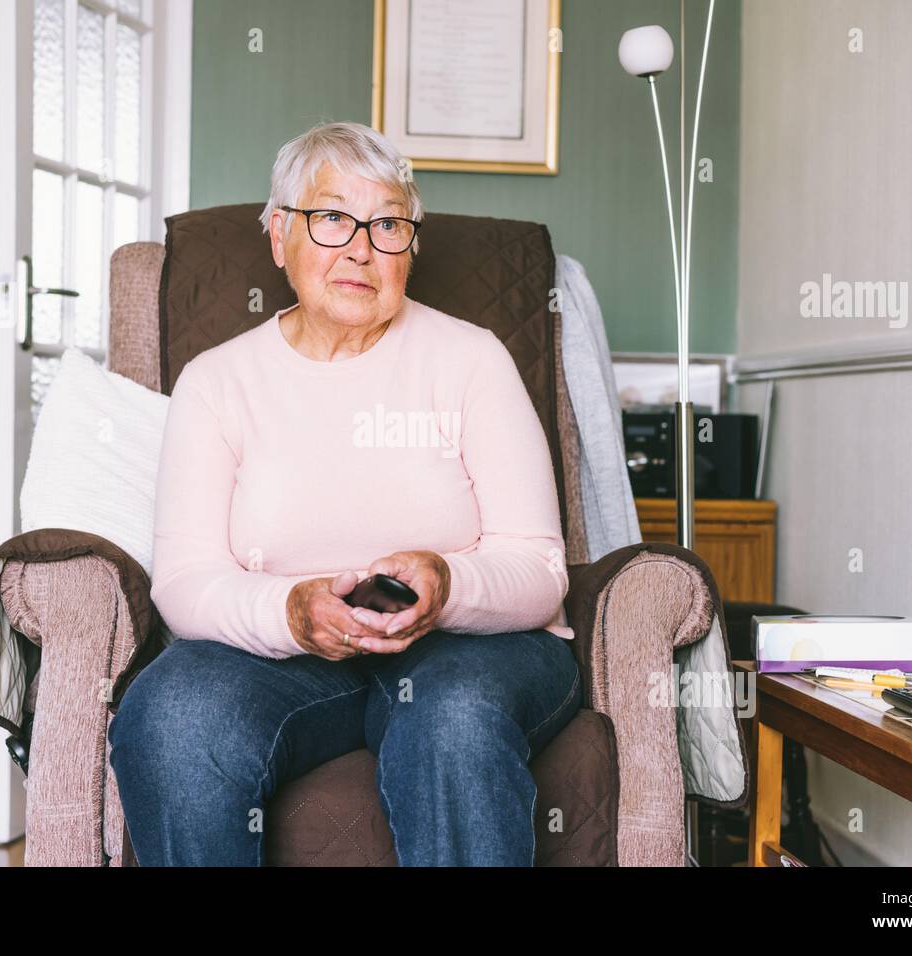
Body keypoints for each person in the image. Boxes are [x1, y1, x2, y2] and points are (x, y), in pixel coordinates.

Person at [107, 121, 581, 866]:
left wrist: (446, 582)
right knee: (171, 716)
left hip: (468, 649)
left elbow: (540, 569)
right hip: (279, 656)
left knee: (450, 721)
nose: (361, 248)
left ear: (409, 248)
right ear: (278, 238)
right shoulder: (218, 382)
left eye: (388, 224)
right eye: (332, 218)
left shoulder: (471, 361)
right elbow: (186, 580)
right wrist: (291, 612)